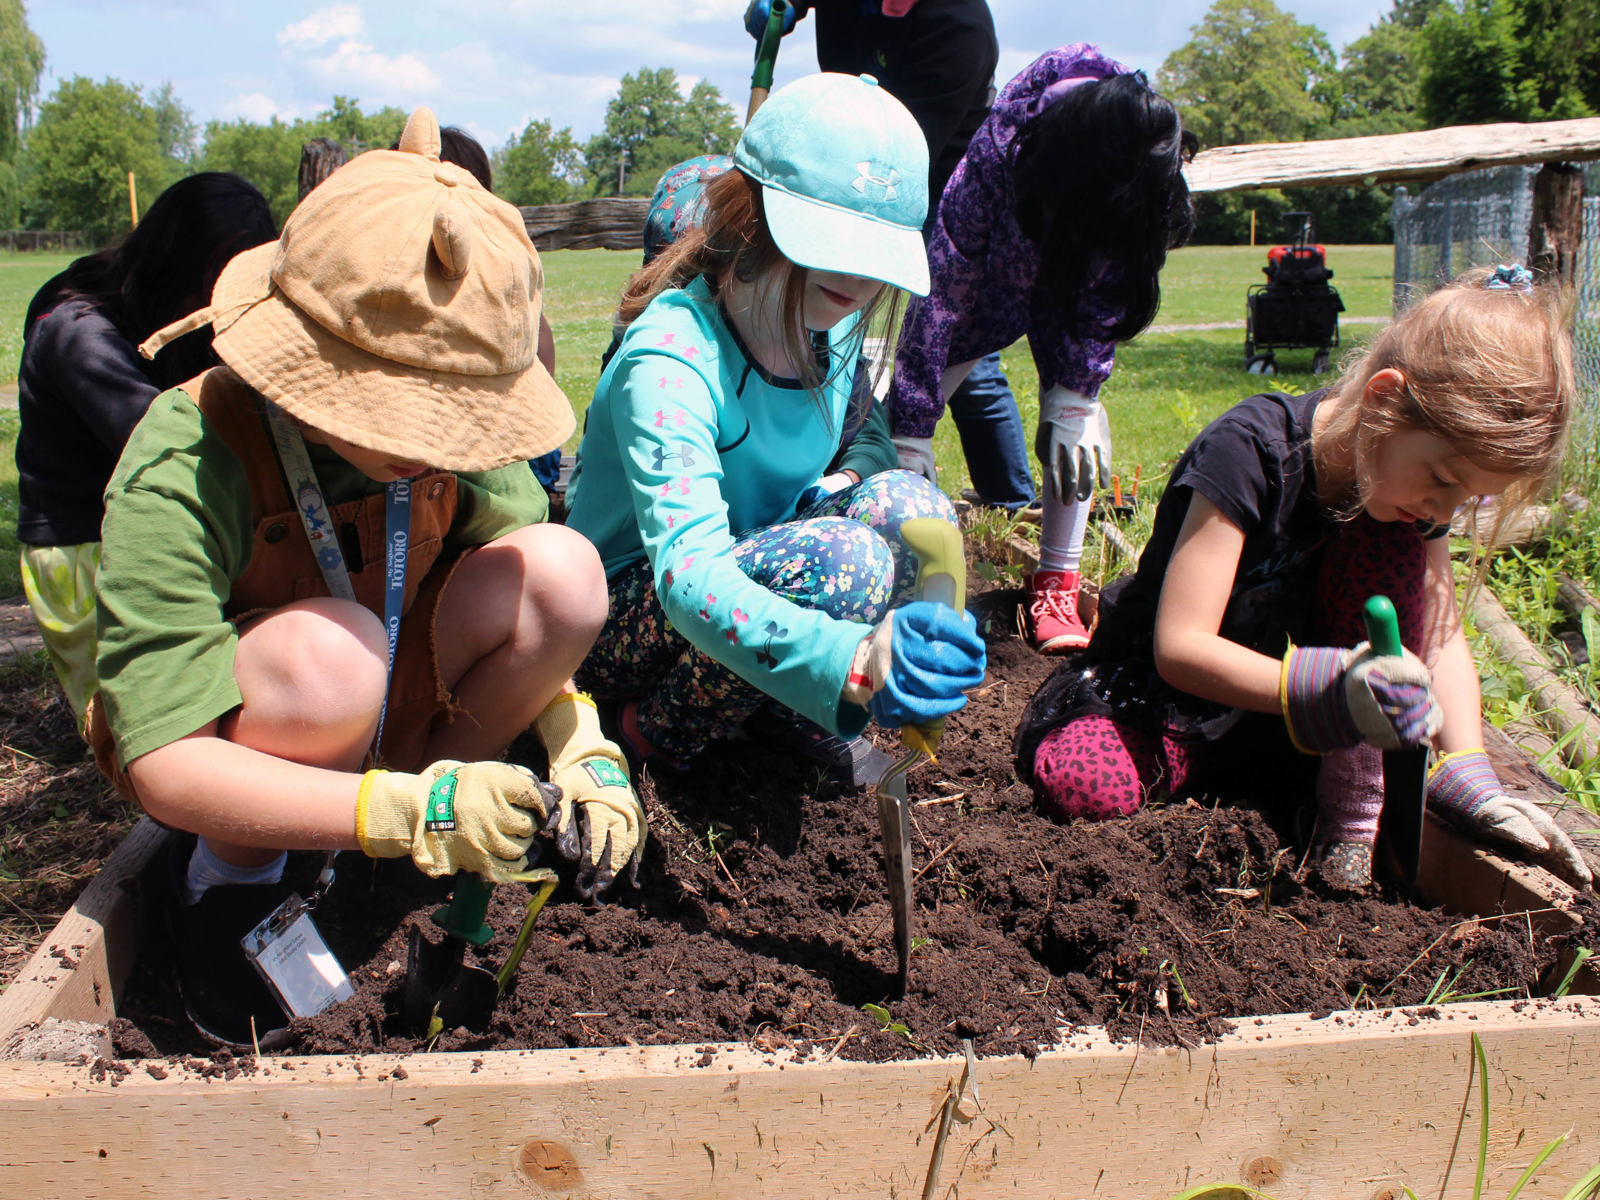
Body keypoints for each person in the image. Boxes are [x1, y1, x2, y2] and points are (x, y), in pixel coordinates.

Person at [86, 108, 644, 1048]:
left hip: (394, 733)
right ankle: (234, 881)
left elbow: (532, 595)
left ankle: (399, 846)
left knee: (568, 574)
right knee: (332, 658)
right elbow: (163, 760)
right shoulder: (185, 455)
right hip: (251, 747)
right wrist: (397, 810)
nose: (430, 446)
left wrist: (578, 742)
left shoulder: (451, 443)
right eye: (402, 412)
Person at [1011, 265, 1592, 891]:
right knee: (1084, 782)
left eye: (1469, 501)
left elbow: (1439, 637)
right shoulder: (1250, 452)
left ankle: (1350, 812)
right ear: (1383, 398)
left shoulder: (1406, 501)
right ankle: (1266, 778)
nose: (1443, 512)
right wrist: (1338, 692)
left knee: (1392, 549)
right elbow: (1181, 647)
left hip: (1298, 719)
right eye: (1445, 481)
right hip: (1174, 697)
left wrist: (1470, 769)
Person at [564, 72, 986, 769]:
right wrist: (852, 660)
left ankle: (785, 703)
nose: (856, 279)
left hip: (754, 565)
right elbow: (690, 575)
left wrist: (926, 639)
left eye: (874, 252)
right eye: (829, 240)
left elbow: (870, 467)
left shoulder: (831, 323)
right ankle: (650, 733)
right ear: (747, 214)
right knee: (841, 562)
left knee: (913, 505)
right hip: (622, 614)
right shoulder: (671, 358)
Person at [887, 46, 1198, 653]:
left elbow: (1117, 277)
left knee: (1074, 448)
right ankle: (886, 559)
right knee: (894, 436)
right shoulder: (1005, 147)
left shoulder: (1136, 163)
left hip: (1075, 286)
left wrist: (1077, 398)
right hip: (992, 280)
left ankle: (1057, 578)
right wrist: (912, 423)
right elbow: (946, 282)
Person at [743, 0, 1036, 513]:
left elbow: (900, 155)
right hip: (848, 174)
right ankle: (822, 459)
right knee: (824, 312)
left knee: (956, 345)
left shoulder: (960, 31)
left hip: (928, 189)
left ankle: (1010, 503)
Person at [14, 173, 278, 724]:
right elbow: (151, 433)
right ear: (176, 262)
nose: (215, 304)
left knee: (192, 704)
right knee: (133, 723)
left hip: (151, 528)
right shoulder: (76, 329)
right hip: (85, 546)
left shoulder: (156, 314)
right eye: (210, 283)